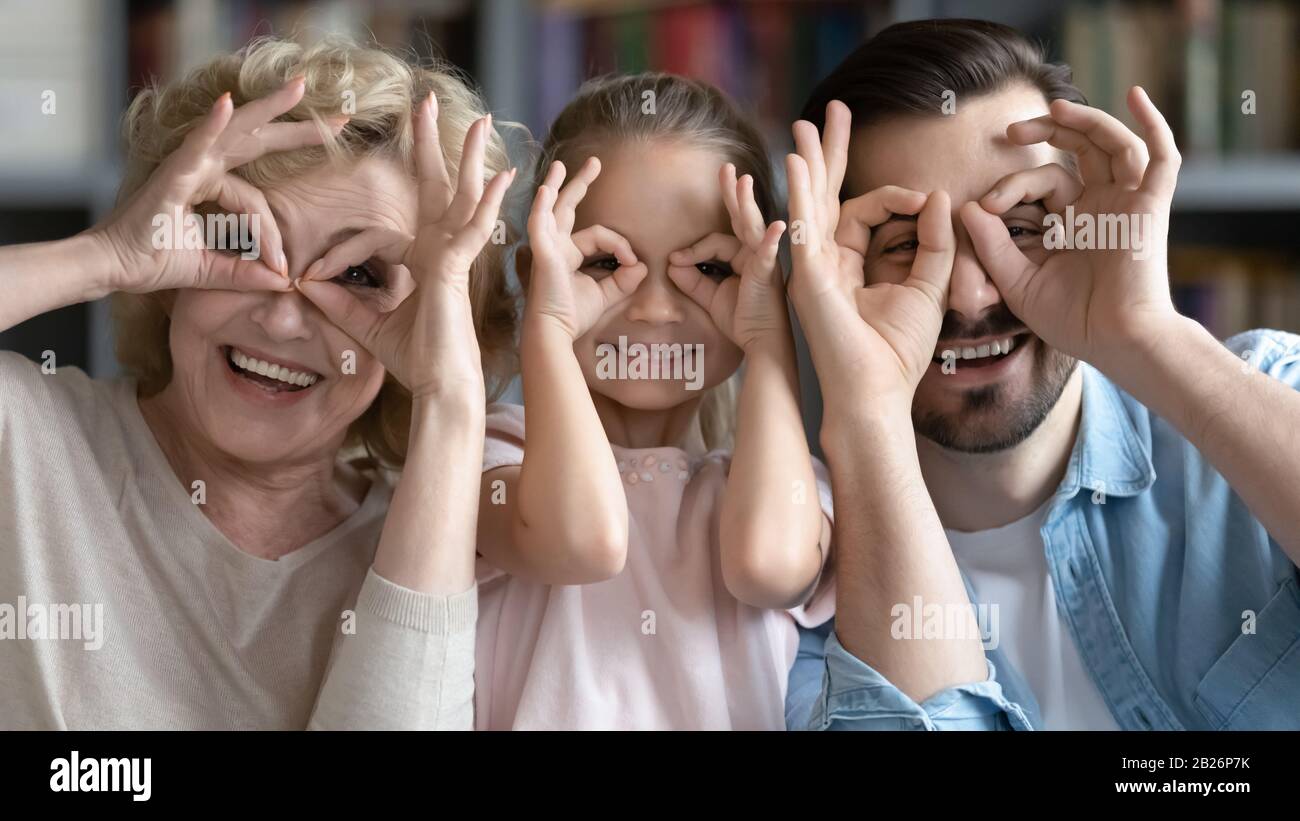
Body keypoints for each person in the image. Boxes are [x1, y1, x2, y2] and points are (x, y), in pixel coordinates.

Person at [784, 19, 1300, 730]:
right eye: (908, 246)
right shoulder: (796, 574)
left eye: (1020, 227)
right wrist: (866, 409)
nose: (969, 295)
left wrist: (1144, 333)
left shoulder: (1264, 392)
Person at [0, 36, 515, 730]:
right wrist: (105, 254)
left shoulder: (452, 535)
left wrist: (450, 399)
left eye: (359, 275)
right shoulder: (28, 443)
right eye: (241, 241)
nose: (282, 315)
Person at [472, 74, 835, 729]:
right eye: (605, 264)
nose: (655, 309)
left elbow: (768, 565)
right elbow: (580, 540)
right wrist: (548, 330)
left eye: (711, 269)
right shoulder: (493, 463)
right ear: (537, 276)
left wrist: (770, 338)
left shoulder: (786, 488)